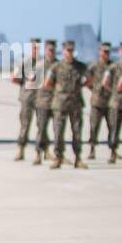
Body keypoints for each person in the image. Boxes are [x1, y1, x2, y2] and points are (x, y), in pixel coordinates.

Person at [45, 39, 88, 168]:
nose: (69, 53)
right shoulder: (56, 67)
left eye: (71, 50)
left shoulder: (81, 66)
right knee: (58, 132)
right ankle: (58, 157)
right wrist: (59, 92)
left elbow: (89, 79)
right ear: (63, 51)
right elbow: (47, 83)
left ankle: (78, 158)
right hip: (60, 104)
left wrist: (79, 87)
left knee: (77, 132)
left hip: (76, 104)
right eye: (67, 50)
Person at [12, 37, 40, 161]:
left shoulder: (44, 62)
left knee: (42, 126)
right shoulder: (24, 62)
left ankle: (42, 152)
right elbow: (15, 78)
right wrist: (25, 84)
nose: (36, 49)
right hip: (27, 98)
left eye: (38, 47)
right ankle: (20, 149)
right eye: (34, 47)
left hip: (41, 99)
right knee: (25, 125)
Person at [85, 42, 112, 161]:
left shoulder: (113, 66)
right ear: (99, 52)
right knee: (94, 127)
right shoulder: (93, 66)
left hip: (111, 102)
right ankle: (92, 150)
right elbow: (87, 80)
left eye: (107, 52)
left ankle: (113, 152)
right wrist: (95, 89)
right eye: (103, 51)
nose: (105, 54)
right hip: (97, 101)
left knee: (112, 127)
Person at [32, 39, 56, 165]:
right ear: (45, 50)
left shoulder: (58, 65)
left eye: (53, 50)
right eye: (49, 49)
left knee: (58, 130)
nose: (51, 52)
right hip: (42, 102)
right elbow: (31, 83)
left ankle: (55, 155)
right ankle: (38, 154)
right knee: (41, 130)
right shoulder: (39, 65)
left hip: (57, 102)